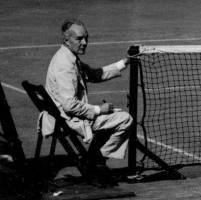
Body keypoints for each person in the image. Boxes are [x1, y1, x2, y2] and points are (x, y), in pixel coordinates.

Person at [43, 18, 133, 173]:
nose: (84, 42)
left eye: (86, 38)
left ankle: (93, 161)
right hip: (68, 120)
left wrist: (125, 62)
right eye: (79, 39)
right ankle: (96, 162)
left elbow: (94, 74)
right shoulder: (65, 65)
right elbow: (70, 105)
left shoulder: (69, 56)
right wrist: (98, 110)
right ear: (66, 40)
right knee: (125, 119)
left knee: (114, 116)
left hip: (63, 116)